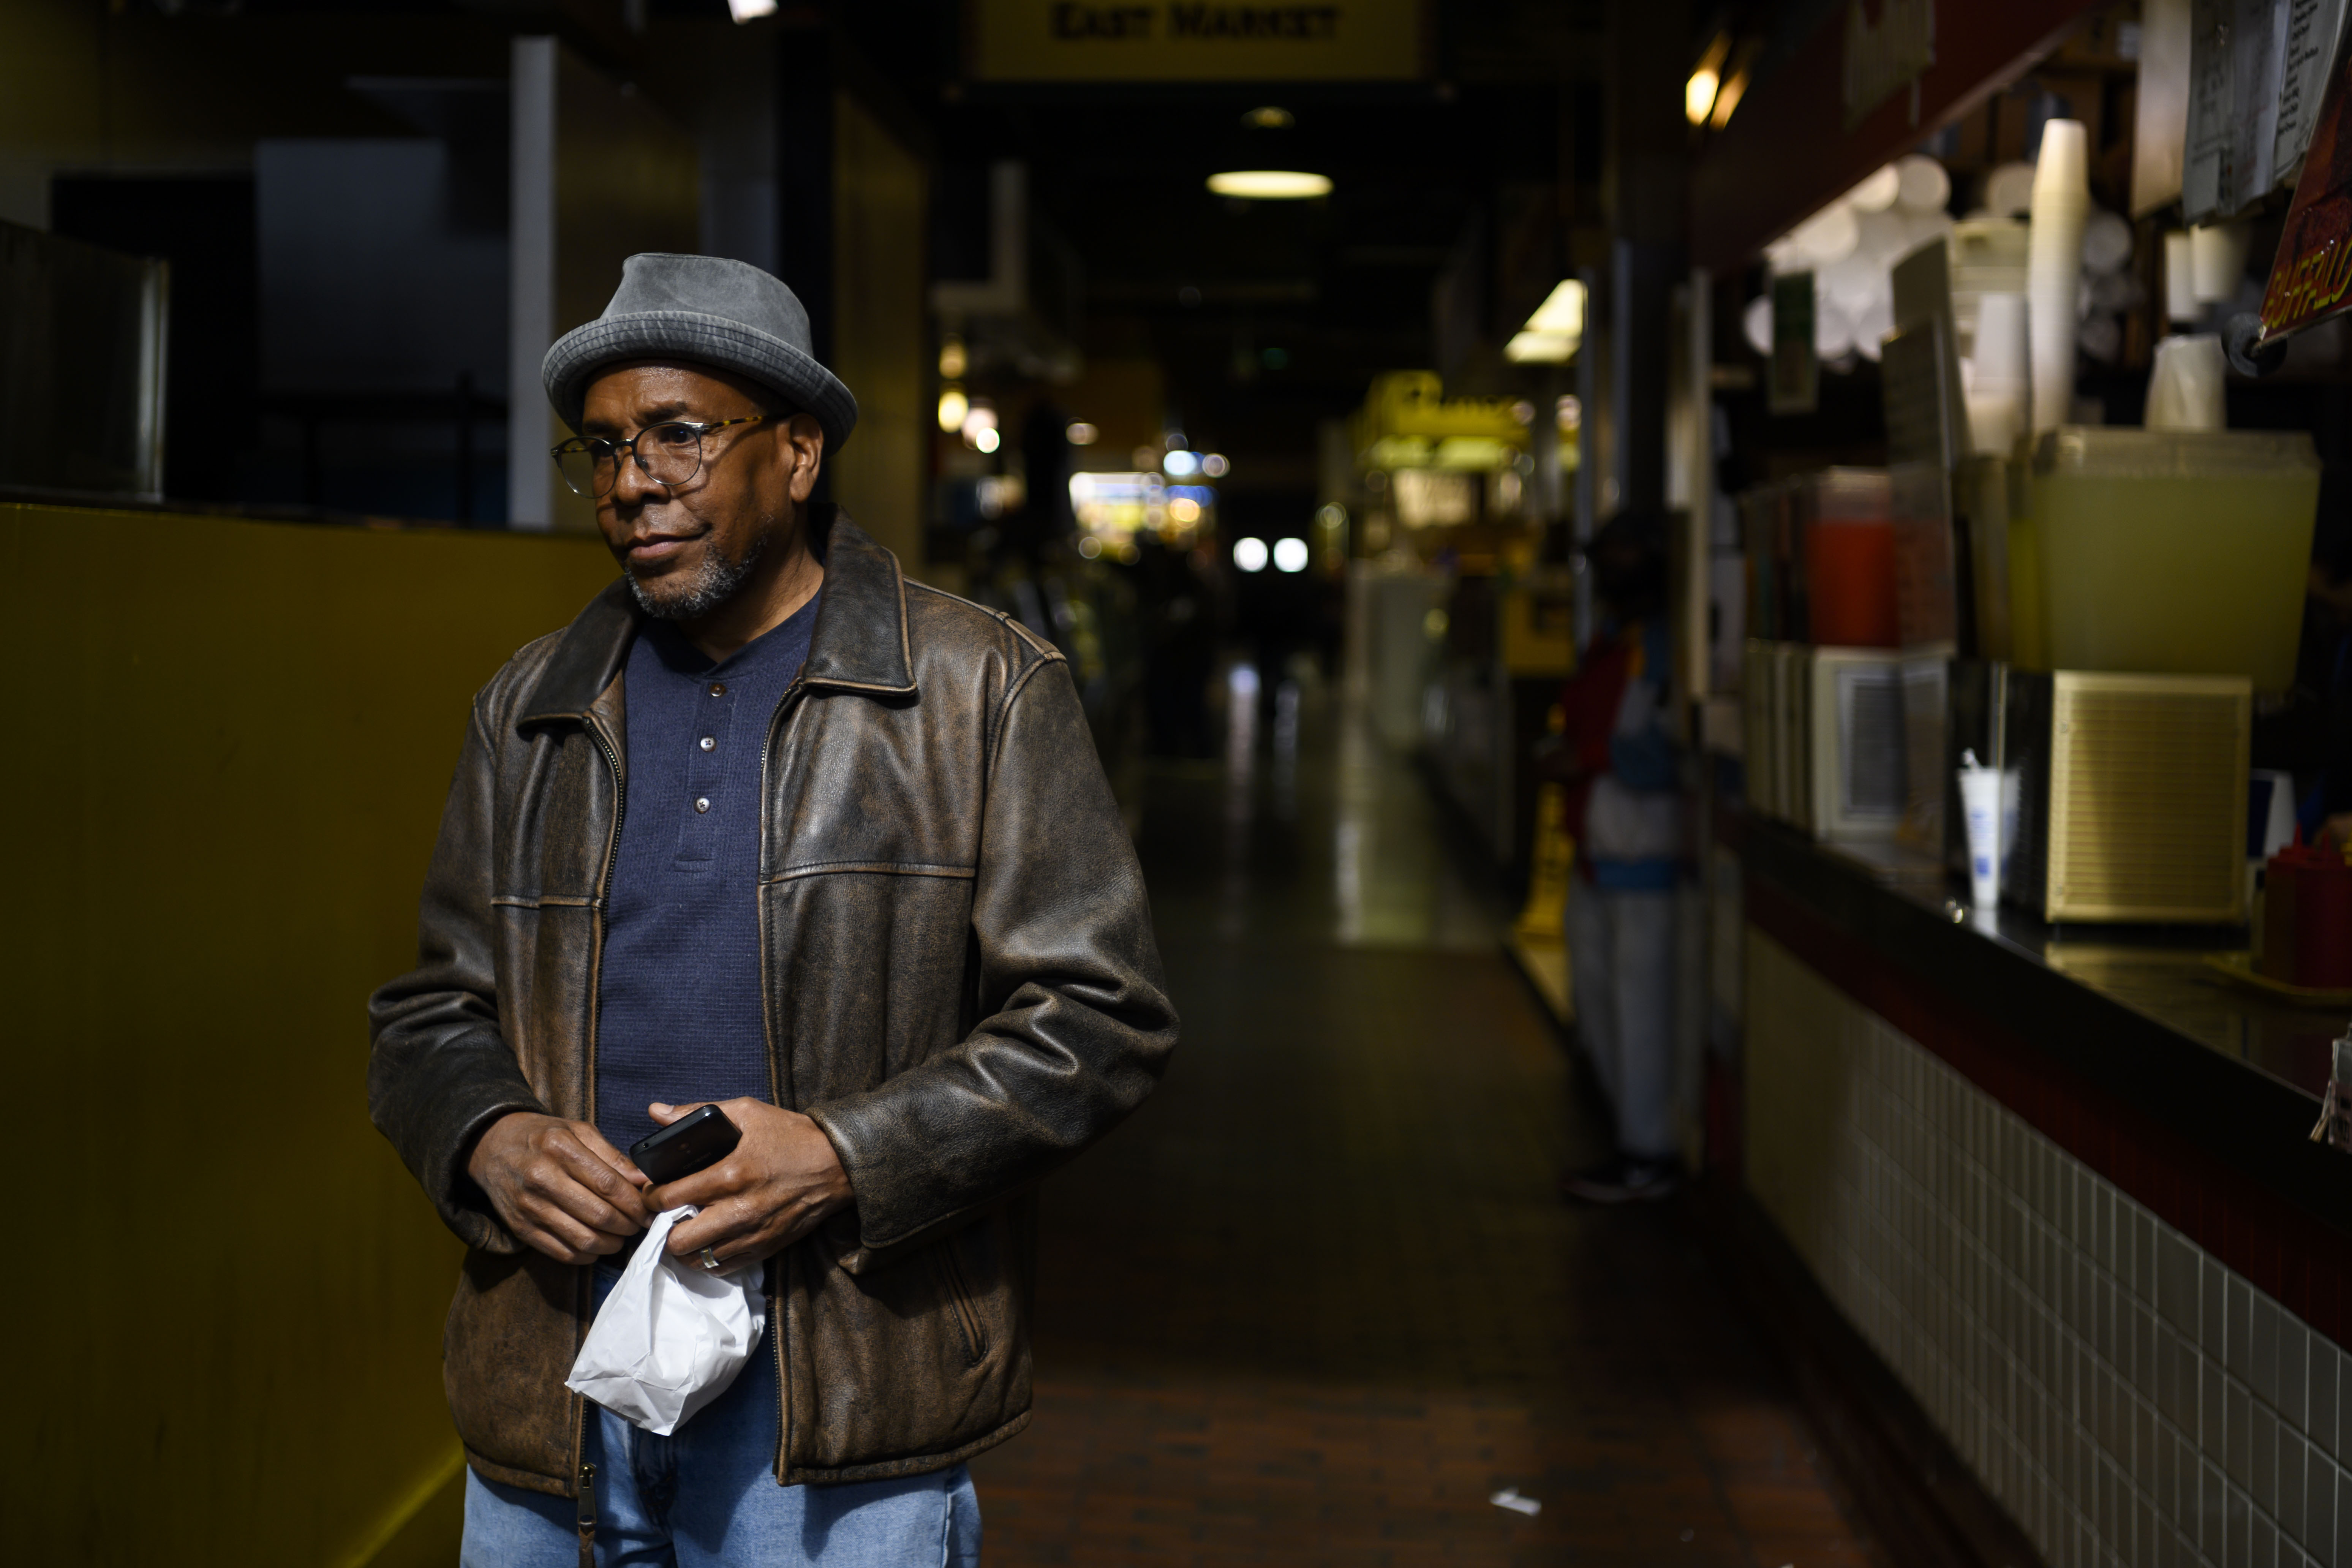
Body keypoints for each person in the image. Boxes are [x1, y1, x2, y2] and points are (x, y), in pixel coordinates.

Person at [367, 253, 1178, 1566]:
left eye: (681, 434)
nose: (635, 481)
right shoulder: (530, 706)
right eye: (608, 446)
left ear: (797, 455)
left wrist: (848, 1155)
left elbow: (1102, 1013)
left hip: (839, 1392)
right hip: (559, 1375)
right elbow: (427, 1009)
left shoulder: (976, 688)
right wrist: (489, 1133)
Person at [1541, 510, 1683, 1204]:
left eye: (1625, 554)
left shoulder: (1666, 643)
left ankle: (1648, 1152)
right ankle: (1630, 1139)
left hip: (1646, 852)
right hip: (1599, 847)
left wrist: (1590, 757)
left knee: (1643, 1011)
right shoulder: (1613, 635)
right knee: (1604, 1007)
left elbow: (1668, 752)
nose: (1611, 570)